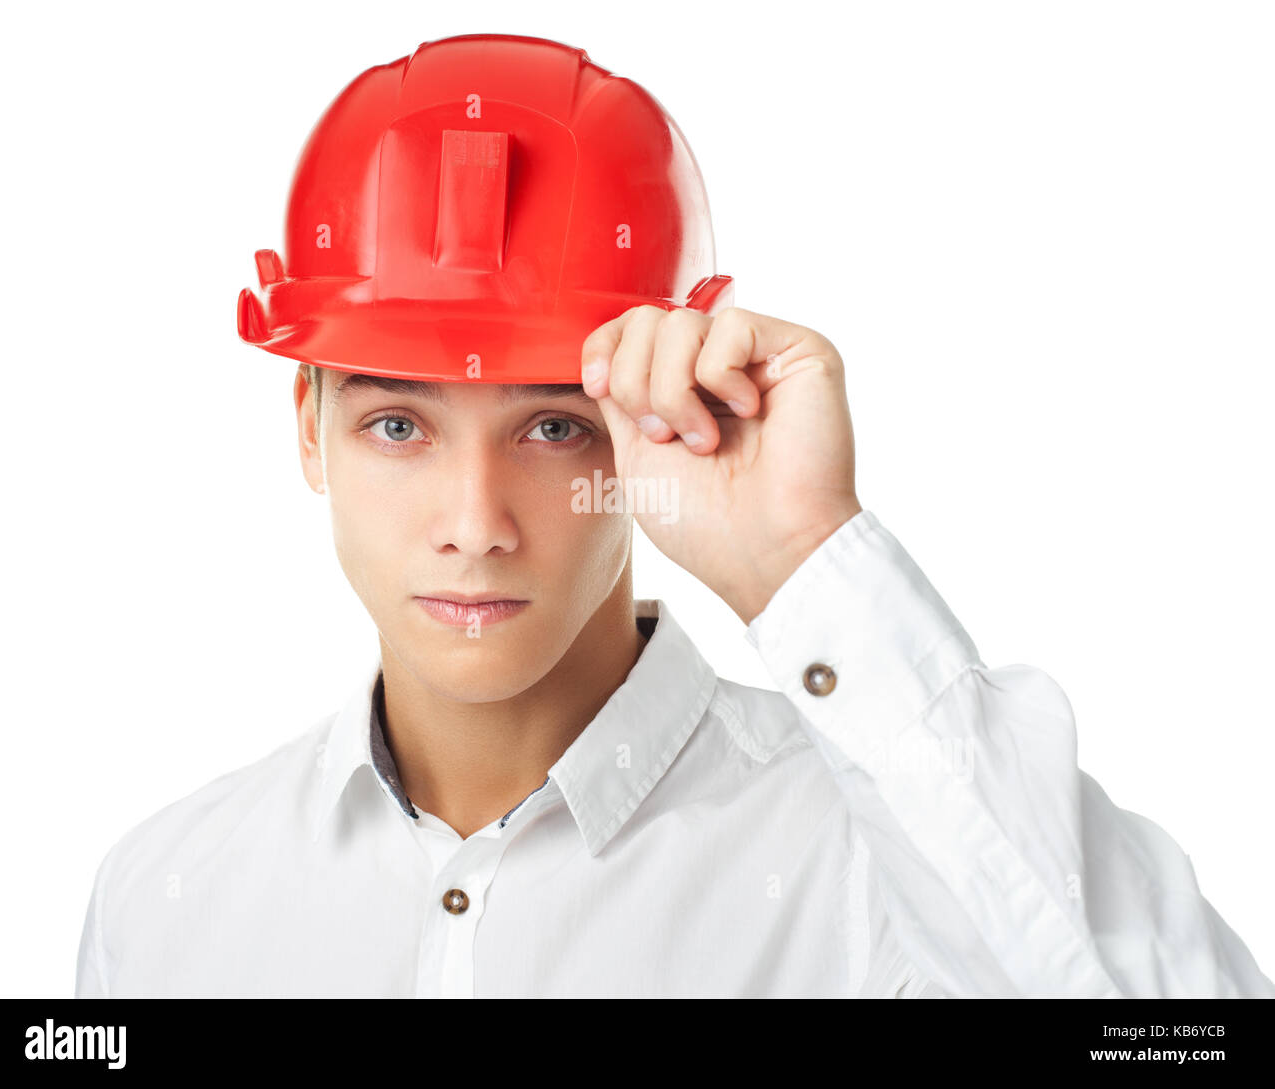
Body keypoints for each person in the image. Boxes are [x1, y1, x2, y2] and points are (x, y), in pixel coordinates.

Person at [74, 32, 1273, 999]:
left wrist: (799, 560)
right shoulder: (165, 896)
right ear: (306, 428)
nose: (475, 522)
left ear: (665, 417)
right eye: (398, 425)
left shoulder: (879, 862)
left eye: (555, 427)